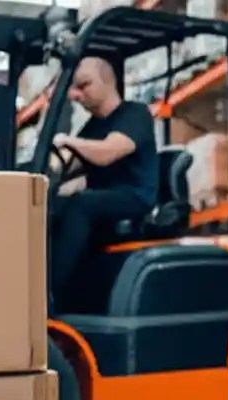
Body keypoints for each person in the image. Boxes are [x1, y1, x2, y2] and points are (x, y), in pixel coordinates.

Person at [47, 56, 159, 312]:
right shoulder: (92, 128)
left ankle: (50, 295)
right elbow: (72, 164)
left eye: (83, 85)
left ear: (108, 81)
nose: (76, 95)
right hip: (106, 200)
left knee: (81, 204)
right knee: (54, 206)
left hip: (134, 197)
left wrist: (68, 141)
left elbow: (108, 152)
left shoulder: (134, 114)